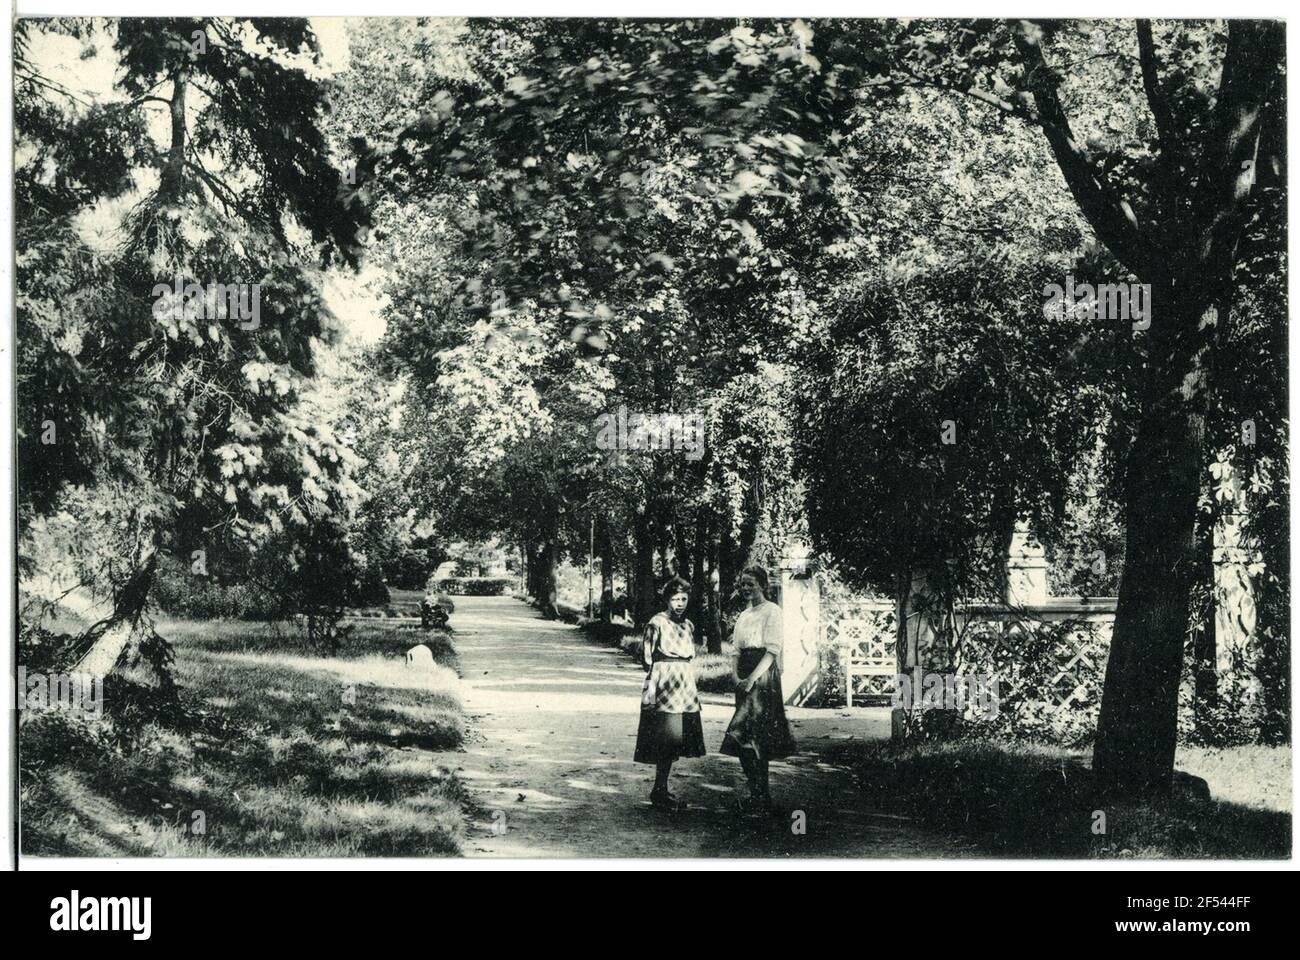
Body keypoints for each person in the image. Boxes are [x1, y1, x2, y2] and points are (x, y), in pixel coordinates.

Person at [721, 566, 797, 814]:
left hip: (762, 677)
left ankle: (761, 796)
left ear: (762, 585)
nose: (745, 588)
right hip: (743, 674)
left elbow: (773, 651)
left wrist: (753, 678)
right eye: (742, 584)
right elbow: (736, 650)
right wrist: (736, 676)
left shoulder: (772, 612)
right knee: (745, 737)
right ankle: (758, 794)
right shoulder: (744, 615)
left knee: (750, 735)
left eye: (750, 584)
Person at [633, 576, 706, 812]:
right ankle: (659, 790)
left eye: (684, 598)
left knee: (676, 739)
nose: (680, 603)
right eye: (675, 599)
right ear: (667, 599)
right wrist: (660, 678)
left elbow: (691, 655)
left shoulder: (688, 625)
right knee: (664, 739)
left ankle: (661, 789)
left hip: (683, 685)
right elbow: (646, 658)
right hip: (664, 684)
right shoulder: (657, 623)